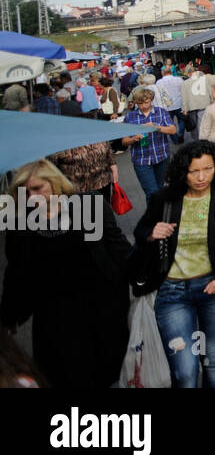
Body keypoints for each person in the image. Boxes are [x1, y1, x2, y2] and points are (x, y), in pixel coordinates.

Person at [1, 160, 130, 389]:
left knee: (105, 372)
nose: (32, 196)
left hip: (100, 308)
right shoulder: (20, 223)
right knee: (63, 376)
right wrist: (8, 317)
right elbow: (17, 273)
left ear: (55, 183)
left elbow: (118, 249)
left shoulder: (89, 206)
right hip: (53, 317)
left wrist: (144, 265)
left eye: (38, 188)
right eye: (25, 191)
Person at [133, 140, 215, 388]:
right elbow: (141, 230)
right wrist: (151, 233)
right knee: (185, 371)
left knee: (214, 359)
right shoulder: (164, 199)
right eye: (194, 171)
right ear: (182, 171)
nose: (201, 177)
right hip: (173, 293)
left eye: (207, 169)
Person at [121, 86, 179, 201]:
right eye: (140, 104)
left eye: (146, 102)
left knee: (160, 189)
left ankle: (160, 215)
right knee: (152, 193)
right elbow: (124, 141)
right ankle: (153, 218)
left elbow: (173, 130)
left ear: (151, 100)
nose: (144, 106)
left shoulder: (161, 112)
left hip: (161, 157)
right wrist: (133, 139)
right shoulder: (130, 117)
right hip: (141, 160)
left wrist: (156, 127)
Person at [48, 140, 118, 204]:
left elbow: (107, 148)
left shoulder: (94, 131)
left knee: (104, 213)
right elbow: (49, 167)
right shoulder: (59, 141)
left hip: (102, 182)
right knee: (84, 216)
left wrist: (113, 164)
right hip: (77, 189)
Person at [181, 65, 215, 142]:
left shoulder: (185, 83)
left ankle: (197, 140)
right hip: (204, 104)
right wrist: (212, 103)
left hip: (191, 106)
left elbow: (184, 97)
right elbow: (210, 93)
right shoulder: (205, 81)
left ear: (188, 74)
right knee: (202, 124)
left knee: (193, 125)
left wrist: (184, 109)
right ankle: (204, 139)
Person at [155, 66, 185, 144]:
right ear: (171, 72)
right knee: (182, 120)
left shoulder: (159, 82)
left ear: (162, 73)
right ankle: (181, 134)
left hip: (167, 106)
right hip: (179, 104)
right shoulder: (179, 79)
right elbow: (183, 90)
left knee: (169, 123)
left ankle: (175, 139)